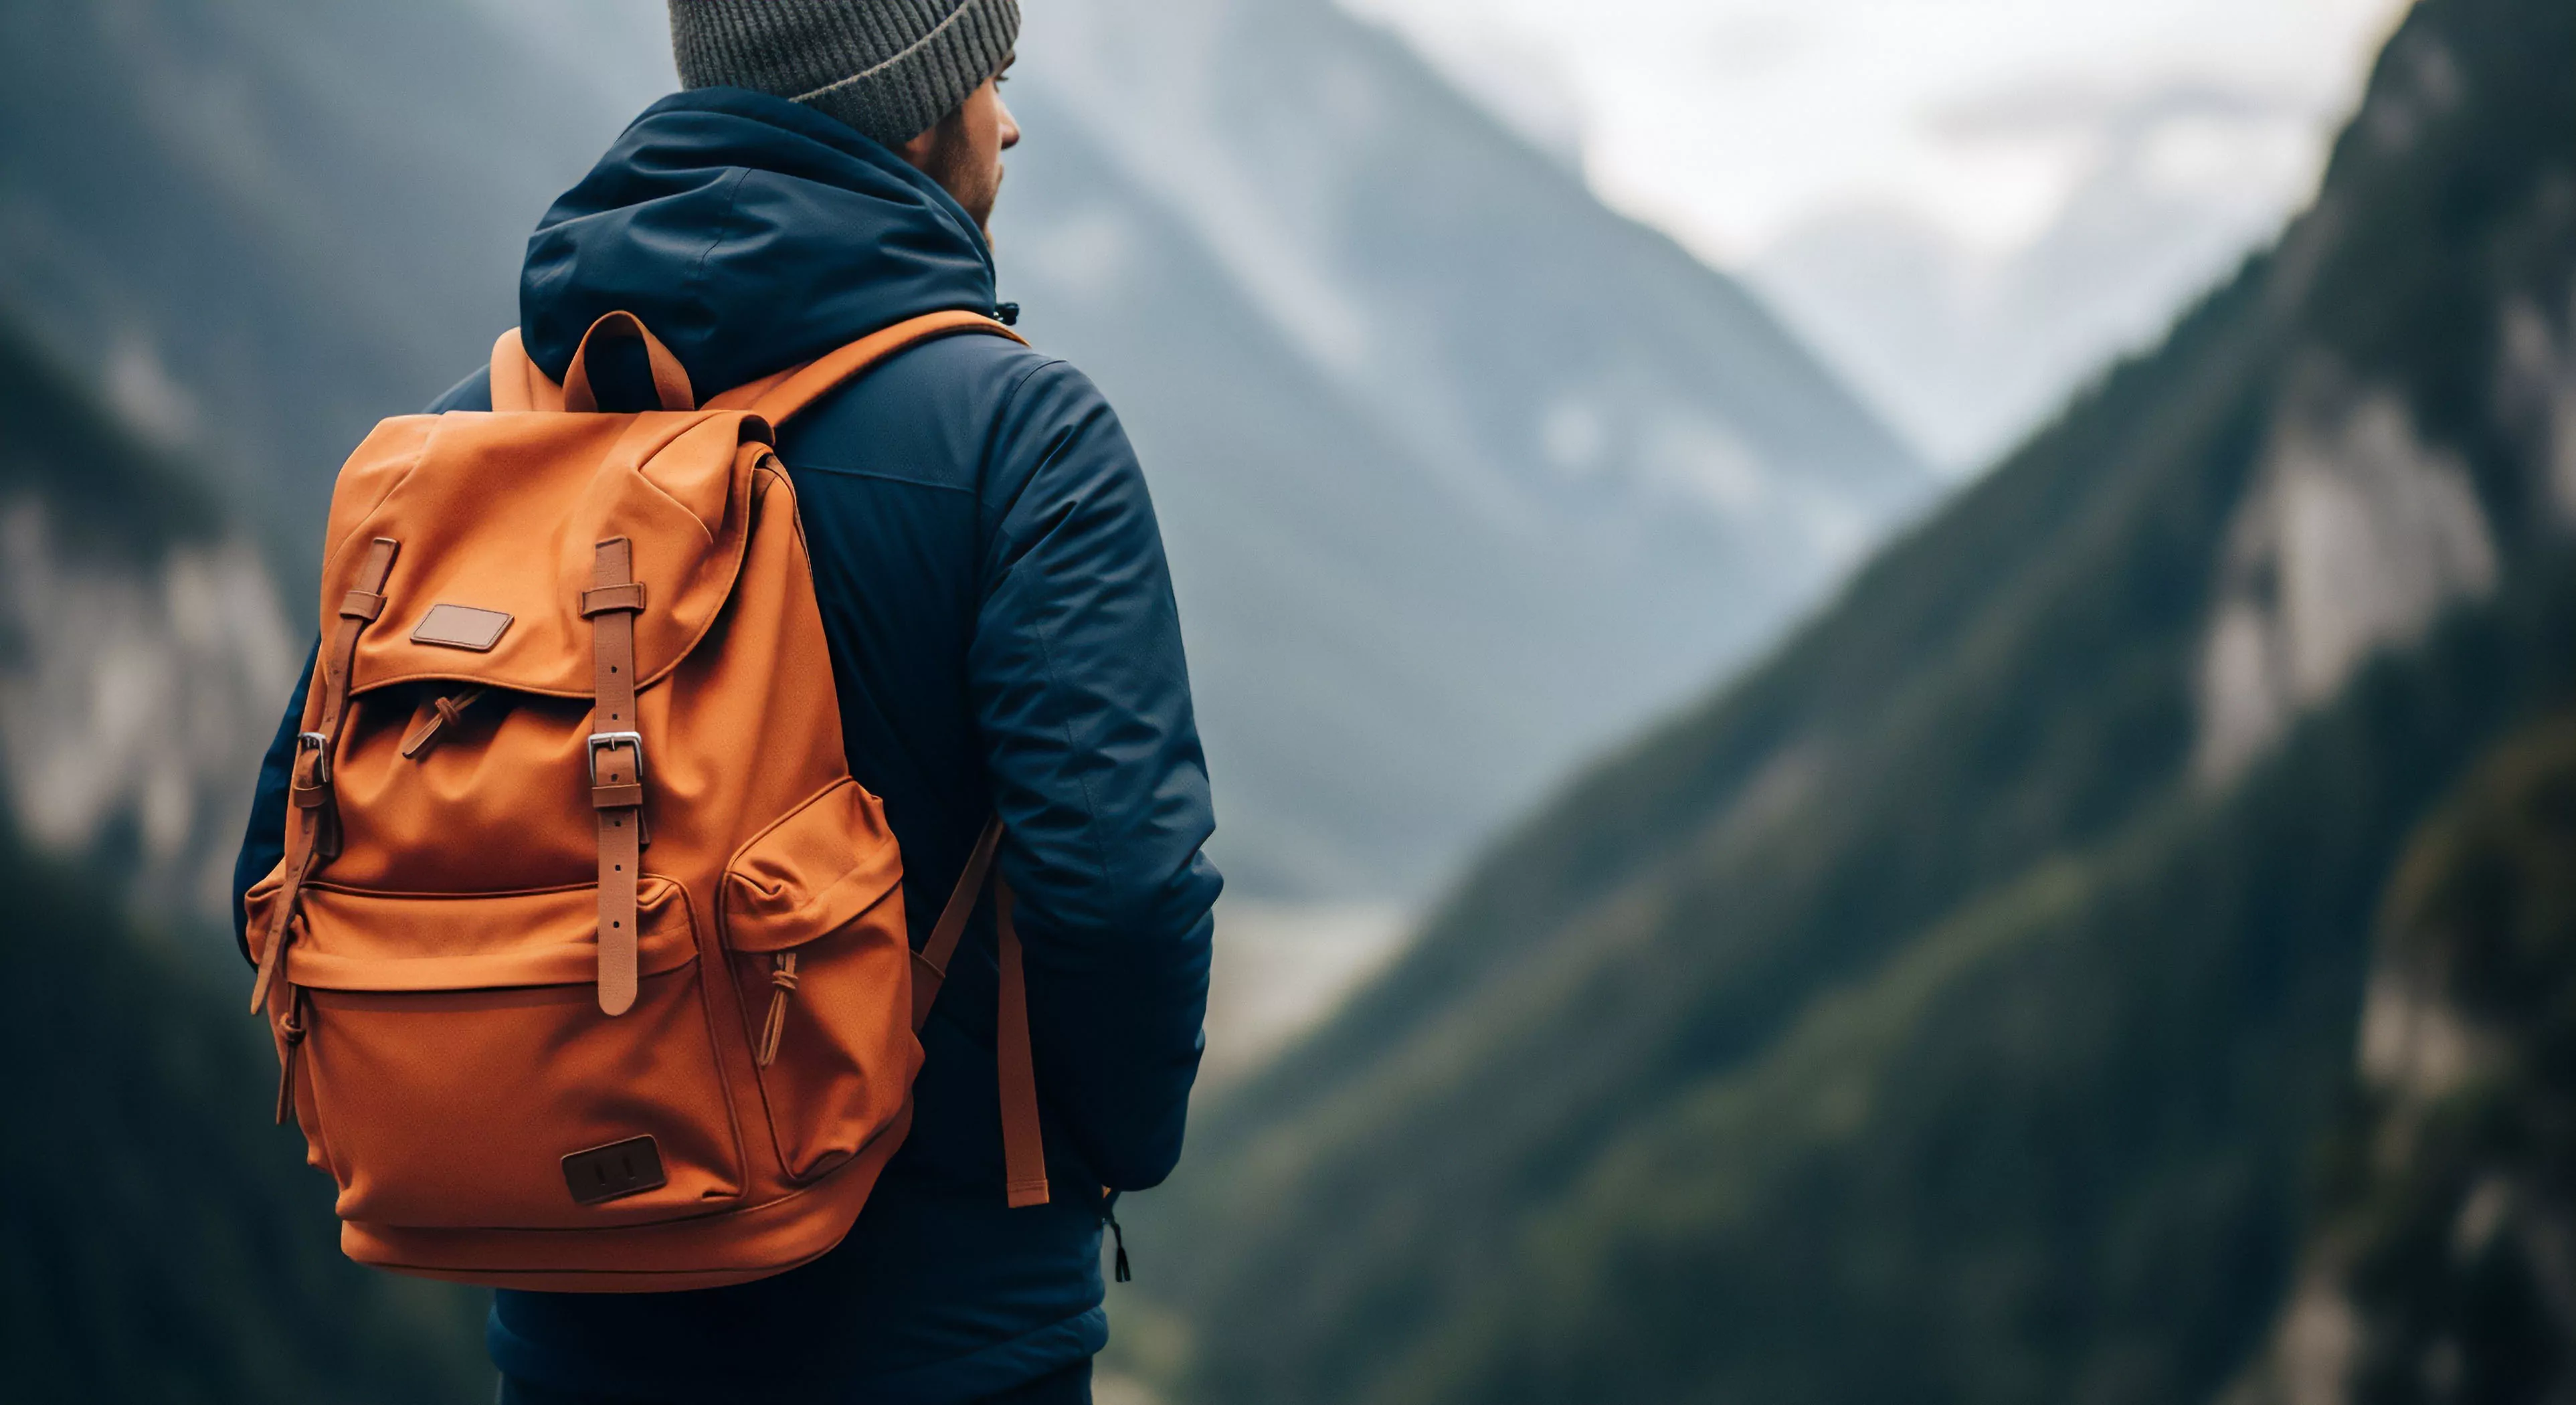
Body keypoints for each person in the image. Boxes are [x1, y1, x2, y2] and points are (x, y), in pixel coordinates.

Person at [229, 1, 1222, 1400]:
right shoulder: (1023, 440)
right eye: (991, 73)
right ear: (918, 98)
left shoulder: (468, 445)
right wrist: (1109, 1151)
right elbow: (1121, 896)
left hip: (573, 1347)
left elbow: (278, 874)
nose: (1007, 119)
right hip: (946, 1342)